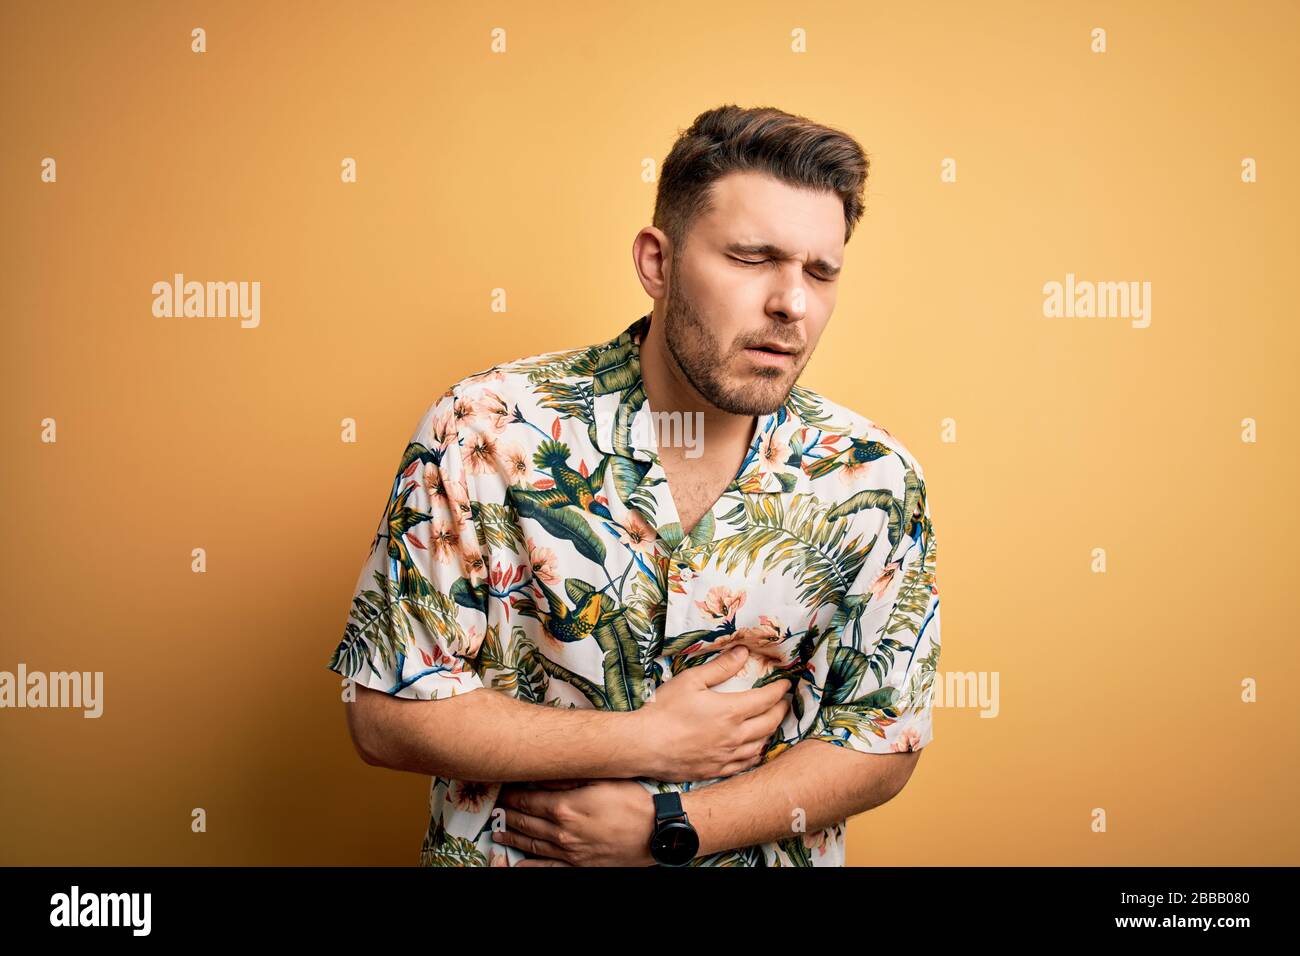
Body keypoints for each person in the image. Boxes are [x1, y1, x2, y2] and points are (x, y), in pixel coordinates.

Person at [326, 104, 941, 867]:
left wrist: (671, 829)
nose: (792, 303)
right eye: (752, 259)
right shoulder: (487, 430)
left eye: (821, 272)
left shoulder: (873, 477)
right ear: (657, 263)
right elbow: (383, 712)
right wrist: (645, 739)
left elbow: (882, 739)